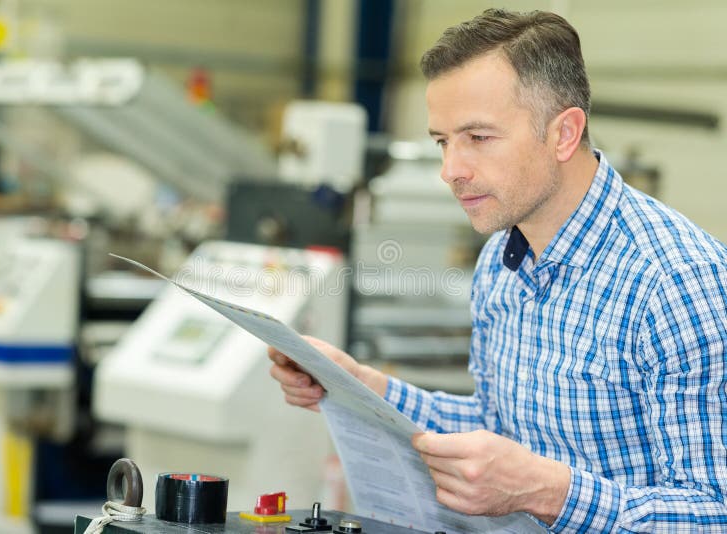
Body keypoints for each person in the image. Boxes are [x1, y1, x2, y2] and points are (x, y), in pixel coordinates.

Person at [268, 8, 727, 533]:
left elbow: (715, 510)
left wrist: (549, 491)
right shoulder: (501, 263)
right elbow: (496, 434)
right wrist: (363, 386)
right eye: (443, 141)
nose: (450, 171)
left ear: (563, 134)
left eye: (478, 138)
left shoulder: (677, 283)